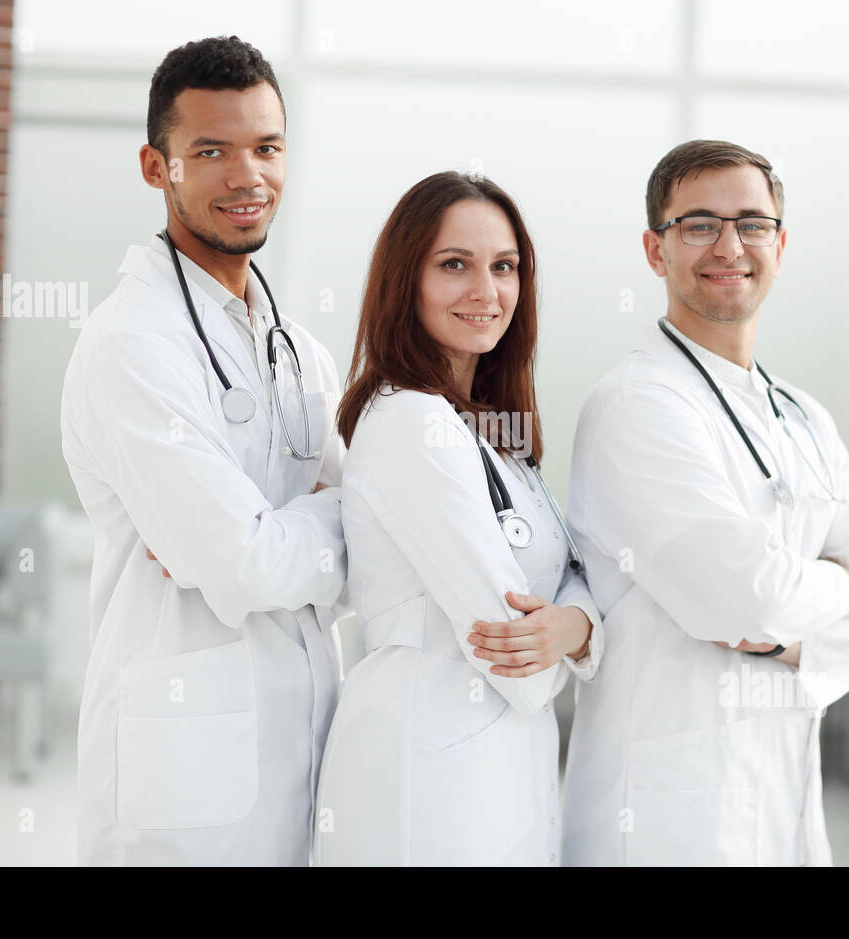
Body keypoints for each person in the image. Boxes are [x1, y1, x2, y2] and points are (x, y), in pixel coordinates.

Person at [562, 140, 849, 866]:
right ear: (655, 251)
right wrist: (836, 584)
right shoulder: (636, 405)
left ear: (779, 245)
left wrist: (793, 638)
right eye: (698, 225)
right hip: (662, 819)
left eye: (752, 224)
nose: (730, 246)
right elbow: (745, 599)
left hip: (781, 800)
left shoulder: (804, 417)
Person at [59, 36, 347, 865]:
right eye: (211, 151)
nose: (246, 175)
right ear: (158, 168)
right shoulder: (131, 344)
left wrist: (273, 534)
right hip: (180, 774)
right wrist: (321, 522)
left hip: (303, 749)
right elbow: (245, 566)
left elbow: (375, 537)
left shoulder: (299, 351)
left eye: (267, 147)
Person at [313, 172, 602, 866]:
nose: (486, 291)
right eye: (454, 266)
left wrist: (578, 625)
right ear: (403, 281)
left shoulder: (492, 433)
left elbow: (570, 576)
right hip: (426, 767)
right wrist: (576, 634)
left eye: (504, 267)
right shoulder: (413, 422)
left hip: (499, 766)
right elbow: (516, 660)